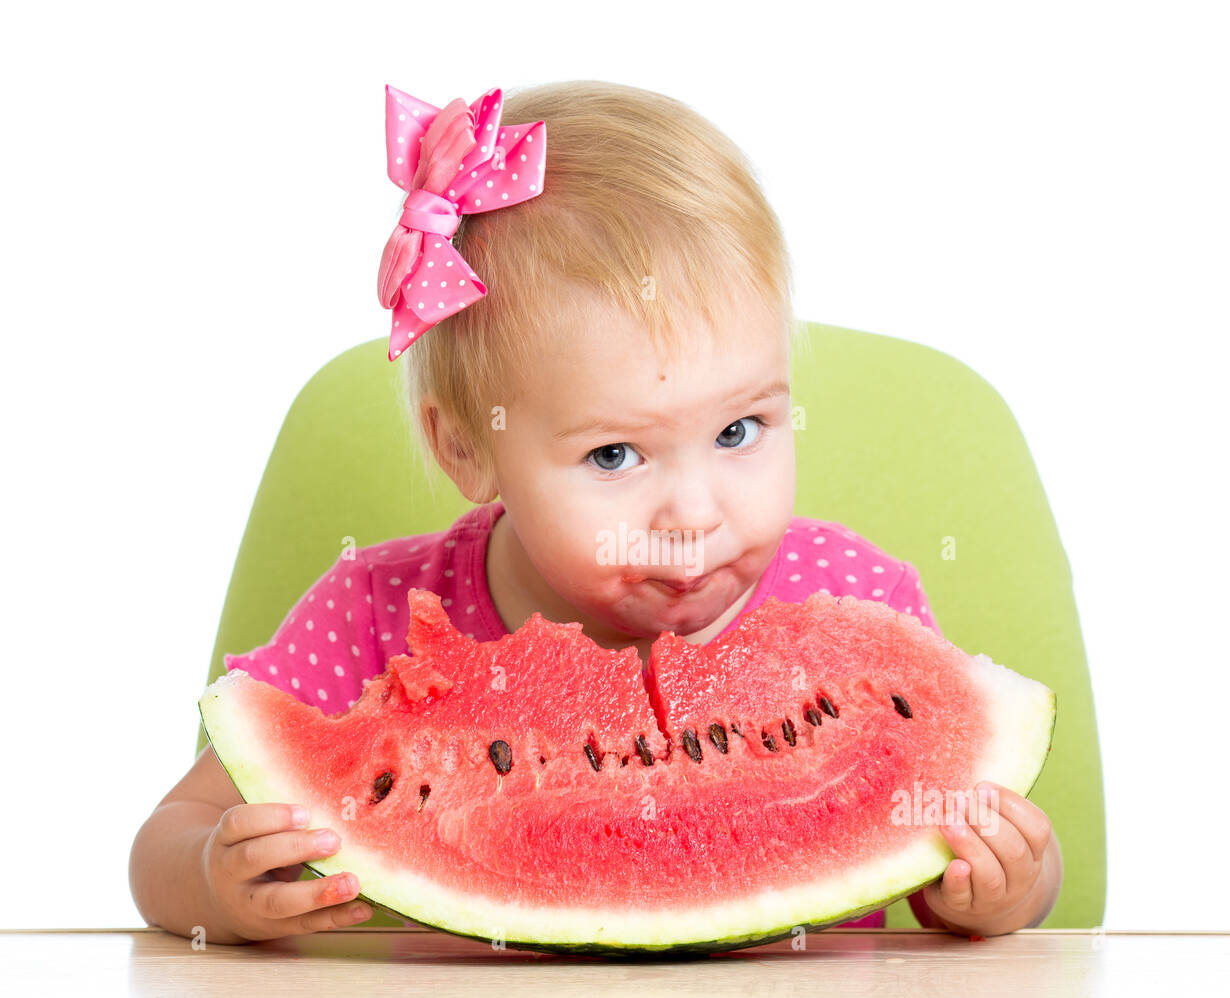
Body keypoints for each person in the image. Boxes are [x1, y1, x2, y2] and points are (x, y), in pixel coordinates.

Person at [130, 80, 1061, 945]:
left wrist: (1003, 888)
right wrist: (217, 885)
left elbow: (958, 823)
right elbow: (169, 836)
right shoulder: (374, 616)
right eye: (614, 454)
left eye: (740, 429)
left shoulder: (861, 598)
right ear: (466, 446)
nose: (695, 513)